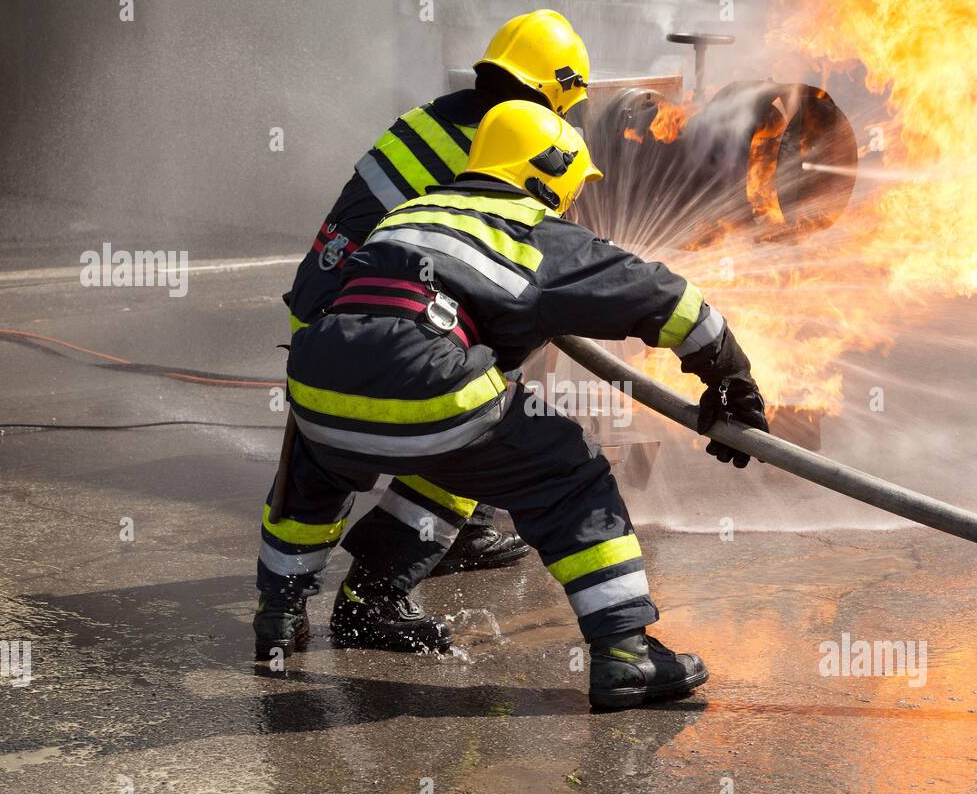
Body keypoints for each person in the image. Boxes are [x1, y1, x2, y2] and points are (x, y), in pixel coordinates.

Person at [256, 99, 769, 708]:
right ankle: (625, 653)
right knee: (564, 472)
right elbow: (667, 298)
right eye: (570, 189)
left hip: (318, 386)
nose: (571, 203)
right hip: (427, 386)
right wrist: (731, 377)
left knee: (325, 482)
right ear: (542, 174)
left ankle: (282, 621)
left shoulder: (417, 209)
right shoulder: (532, 231)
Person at [264, 10, 591, 626]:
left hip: (317, 318)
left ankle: (280, 609)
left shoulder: (431, 116)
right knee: (478, 414)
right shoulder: (500, 144)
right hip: (374, 328)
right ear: (553, 92)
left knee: (317, 466)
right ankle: (380, 588)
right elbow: (523, 259)